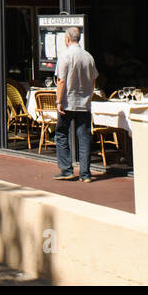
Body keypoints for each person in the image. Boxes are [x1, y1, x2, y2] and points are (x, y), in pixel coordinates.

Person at [54, 26, 98, 183]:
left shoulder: (65, 56)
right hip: (84, 104)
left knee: (61, 134)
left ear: (67, 39)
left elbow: (61, 81)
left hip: (68, 102)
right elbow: (94, 80)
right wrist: (88, 94)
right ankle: (85, 174)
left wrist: (58, 101)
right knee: (84, 137)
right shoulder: (88, 57)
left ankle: (67, 169)